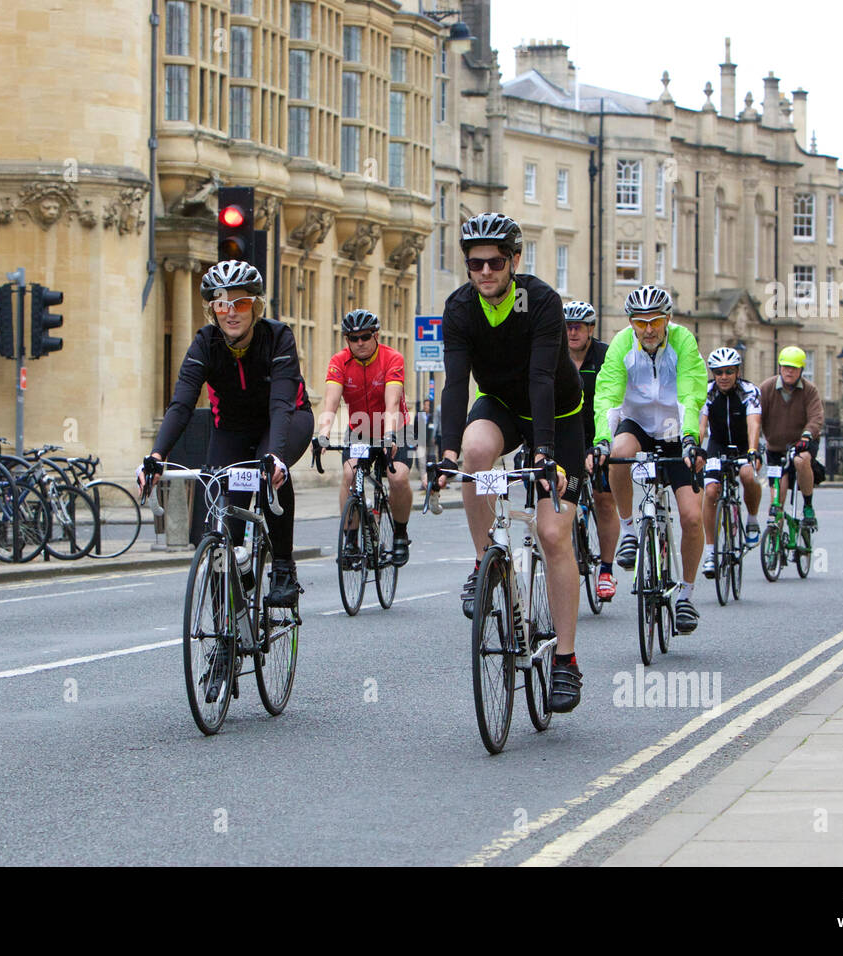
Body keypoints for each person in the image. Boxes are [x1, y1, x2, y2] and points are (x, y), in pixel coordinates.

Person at [430, 212, 587, 713]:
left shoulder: (540, 301)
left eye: (495, 262)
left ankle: (565, 660)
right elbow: (456, 383)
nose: (484, 272)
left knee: (553, 532)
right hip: (500, 406)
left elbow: (542, 378)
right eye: (474, 264)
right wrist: (447, 451)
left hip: (557, 414)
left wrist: (544, 455)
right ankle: (484, 562)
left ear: (514, 260)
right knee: (475, 454)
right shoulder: (459, 307)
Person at [137, 259, 313, 606]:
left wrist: (276, 456)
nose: (231, 312)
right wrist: (156, 456)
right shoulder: (206, 343)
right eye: (222, 303)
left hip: (286, 421)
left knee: (270, 475)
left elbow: (281, 404)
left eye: (241, 303)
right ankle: (224, 631)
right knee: (219, 525)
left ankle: (281, 565)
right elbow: (182, 403)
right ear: (212, 309)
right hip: (231, 429)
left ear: (255, 306)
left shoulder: (277, 337)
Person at [591, 285, 706, 634]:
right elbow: (608, 396)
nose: (649, 329)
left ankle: (686, 595)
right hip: (638, 423)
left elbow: (690, 392)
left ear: (668, 319)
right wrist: (600, 441)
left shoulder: (683, 342)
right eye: (640, 323)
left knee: (691, 516)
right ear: (631, 323)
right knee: (618, 454)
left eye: (655, 321)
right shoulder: (622, 345)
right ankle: (628, 529)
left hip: (675, 430)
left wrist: (690, 438)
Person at [316, 309, 412, 566]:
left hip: (397, 427)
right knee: (349, 476)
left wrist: (390, 435)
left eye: (366, 337)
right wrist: (323, 433)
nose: (360, 343)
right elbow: (330, 403)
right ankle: (350, 541)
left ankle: (400, 536)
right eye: (353, 338)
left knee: (398, 477)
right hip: (360, 429)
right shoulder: (339, 361)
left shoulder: (392, 358)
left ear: (376, 335)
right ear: (347, 339)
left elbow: (392, 404)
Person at [564, 300, 620, 602]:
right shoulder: (555, 353)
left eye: (579, 327)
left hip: (600, 433)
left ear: (591, 330)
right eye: (568, 327)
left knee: (604, 499)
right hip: (567, 434)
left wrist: (603, 443)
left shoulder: (606, 356)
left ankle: (607, 571)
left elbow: (614, 402)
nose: (572, 332)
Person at [698, 347, 763, 578]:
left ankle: (752, 519)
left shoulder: (749, 391)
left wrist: (753, 450)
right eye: (718, 372)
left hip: (745, 444)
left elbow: (753, 422)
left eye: (728, 372)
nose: (723, 377)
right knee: (711, 490)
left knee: (747, 475)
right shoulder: (707, 392)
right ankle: (710, 552)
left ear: (737, 372)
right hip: (717, 445)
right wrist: (696, 447)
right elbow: (701, 425)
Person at [758, 346, 824, 529]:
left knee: (802, 461)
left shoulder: (809, 390)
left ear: (801, 370)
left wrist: (807, 435)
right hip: (776, 447)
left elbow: (816, 417)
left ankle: (808, 506)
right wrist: (752, 441)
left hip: (801, 444)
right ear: (779, 367)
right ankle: (775, 538)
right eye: (785, 367)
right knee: (776, 503)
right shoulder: (766, 388)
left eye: (794, 368)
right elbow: (755, 415)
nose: (789, 371)